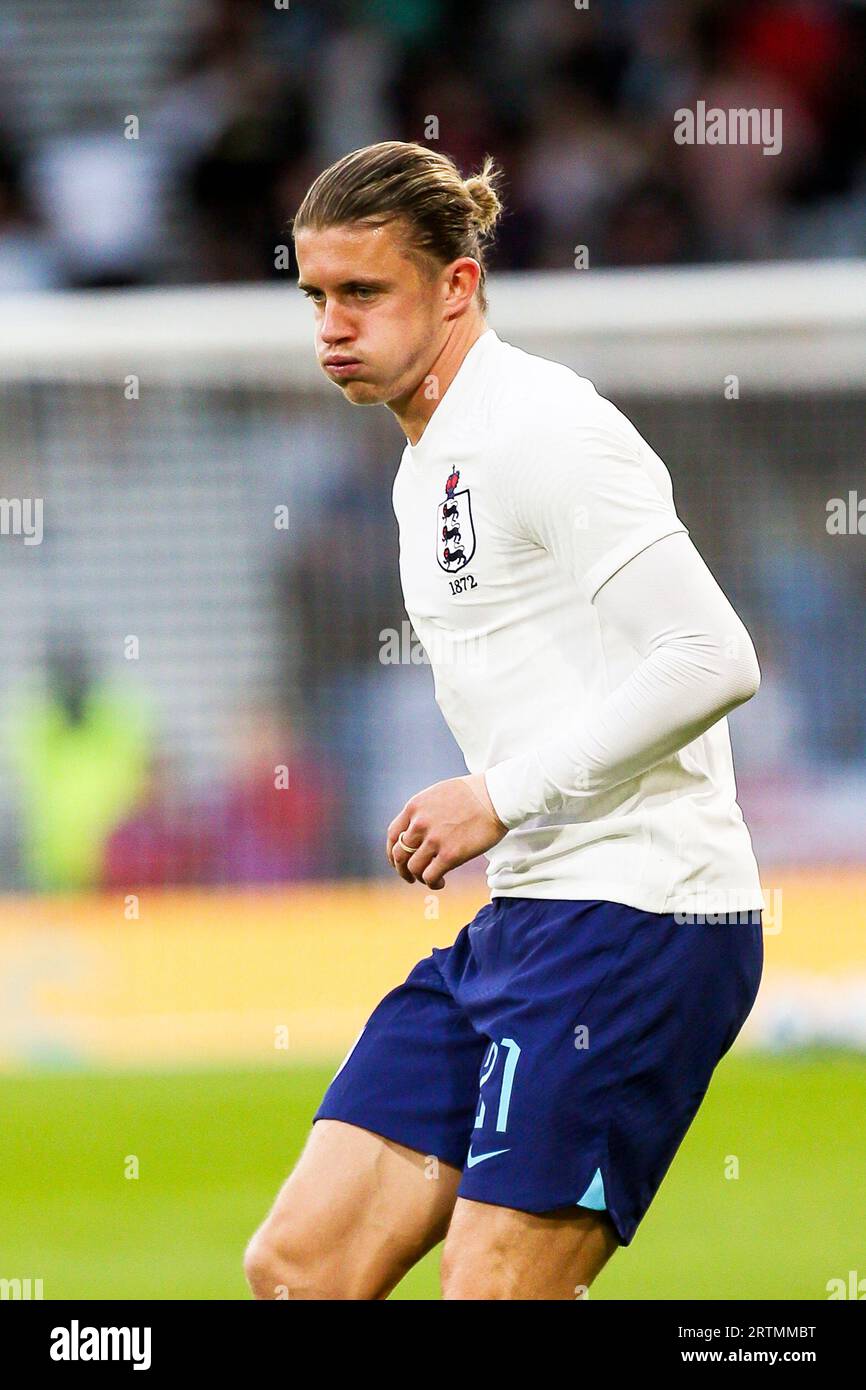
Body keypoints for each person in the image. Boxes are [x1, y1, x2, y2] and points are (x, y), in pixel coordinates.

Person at [244, 141, 765, 1301]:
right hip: (530, 917)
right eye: (316, 296)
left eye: (363, 292)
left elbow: (712, 655)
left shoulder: (543, 427)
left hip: (644, 914)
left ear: (456, 288)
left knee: (494, 1293)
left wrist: (497, 795)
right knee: (299, 1267)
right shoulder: (424, 462)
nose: (331, 323)